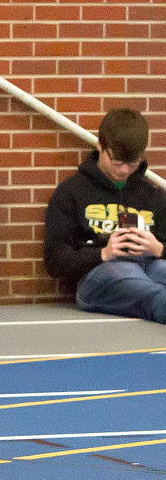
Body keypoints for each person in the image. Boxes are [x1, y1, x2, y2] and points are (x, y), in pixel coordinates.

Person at [44, 108, 166, 322]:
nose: (125, 171)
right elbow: (55, 261)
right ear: (101, 146)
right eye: (117, 163)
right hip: (100, 274)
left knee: (158, 271)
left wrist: (158, 248)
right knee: (145, 289)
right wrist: (104, 253)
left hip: (152, 265)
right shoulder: (71, 192)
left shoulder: (153, 196)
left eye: (133, 163)